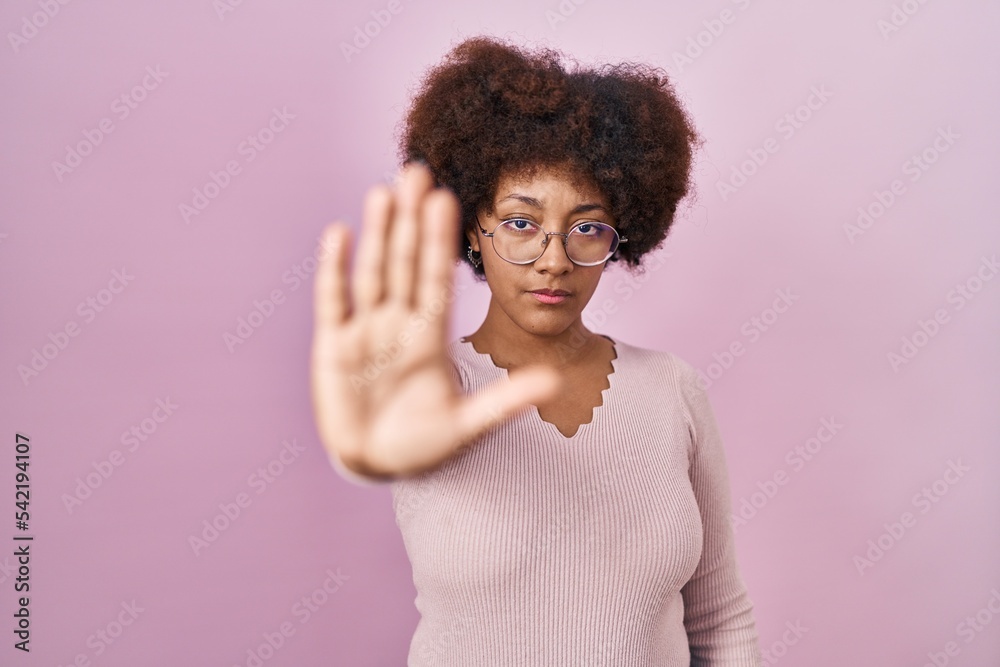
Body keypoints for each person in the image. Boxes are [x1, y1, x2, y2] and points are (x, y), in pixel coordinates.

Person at [310, 35, 763, 666]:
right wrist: (363, 452)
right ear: (474, 226)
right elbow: (376, 450)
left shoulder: (671, 390)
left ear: (621, 231)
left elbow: (719, 622)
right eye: (522, 223)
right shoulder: (428, 393)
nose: (554, 260)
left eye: (586, 228)